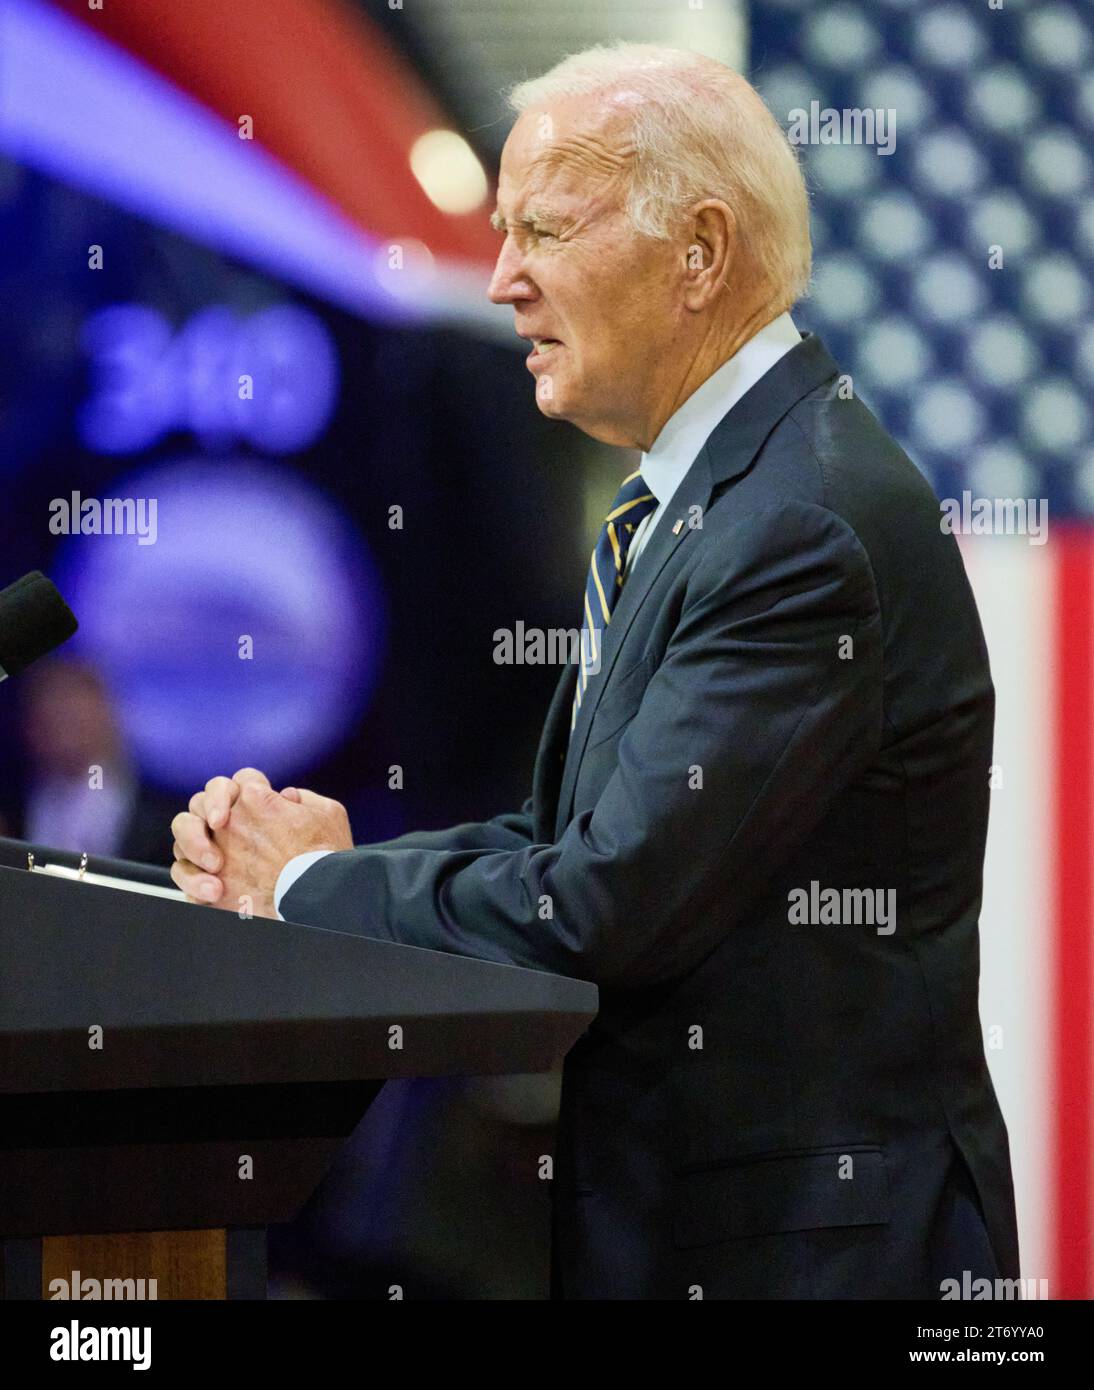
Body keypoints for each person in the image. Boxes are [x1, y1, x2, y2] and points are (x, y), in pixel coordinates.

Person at [170, 43, 1020, 1299]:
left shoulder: (797, 526)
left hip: (816, 1256)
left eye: (546, 230)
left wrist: (300, 886)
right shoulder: (698, 498)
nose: (502, 277)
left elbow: (603, 902)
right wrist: (328, 867)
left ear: (699, 252)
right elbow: (561, 837)